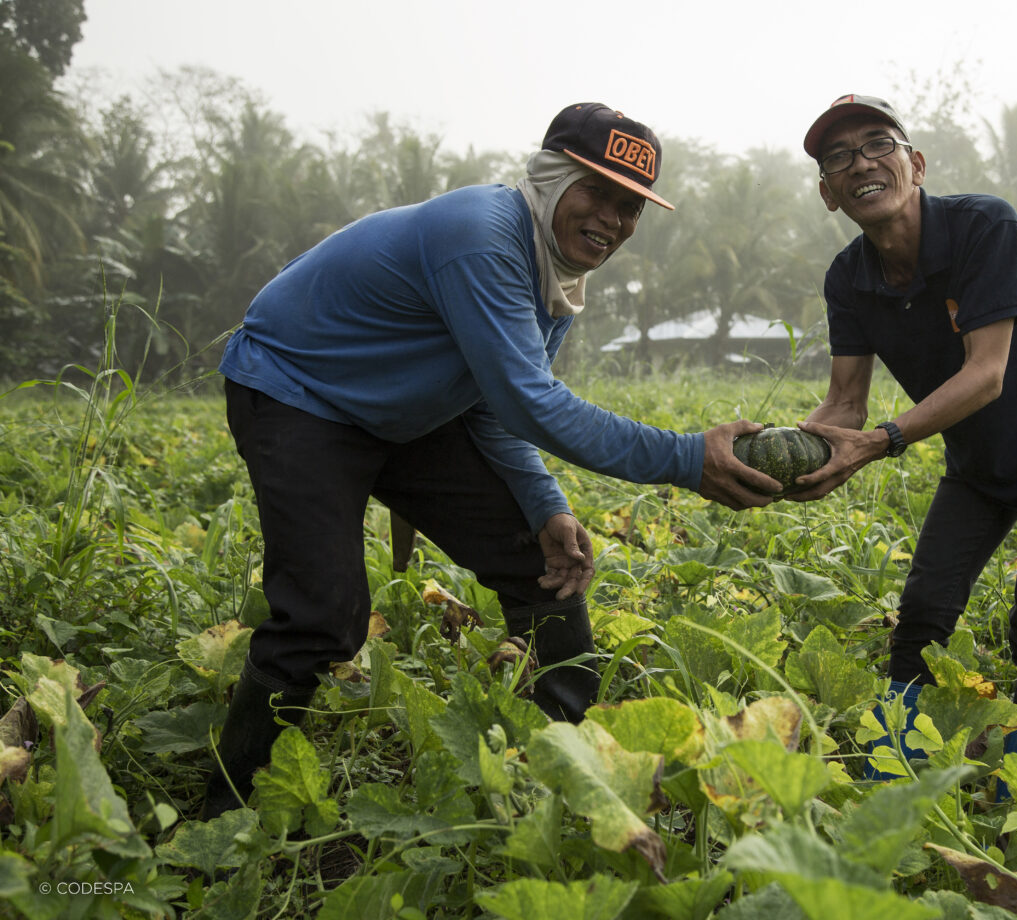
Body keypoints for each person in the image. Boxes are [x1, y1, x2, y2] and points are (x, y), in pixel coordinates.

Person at [201, 102, 780, 820]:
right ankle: (225, 811)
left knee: (544, 562)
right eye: (596, 191)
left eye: (631, 207)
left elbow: (491, 403)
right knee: (323, 613)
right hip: (300, 393)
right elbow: (530, 400)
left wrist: (545, 506)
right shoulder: (482, 236)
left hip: (404, 414)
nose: (613, 219)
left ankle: (566, 778)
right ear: (550, 176)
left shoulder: (553, 280)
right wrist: (688, 457)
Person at [790, 95, 1017, 783]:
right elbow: (846, 402)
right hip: (980, 457)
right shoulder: (849, 278)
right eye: (838, 157)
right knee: (923, 606)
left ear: (914, 164)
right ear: (829, 193)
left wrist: (882, 441)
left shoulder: (985, 227)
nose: (860, 162)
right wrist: (792, 457)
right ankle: (895, 765)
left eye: (878, 143)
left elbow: (985, 375)